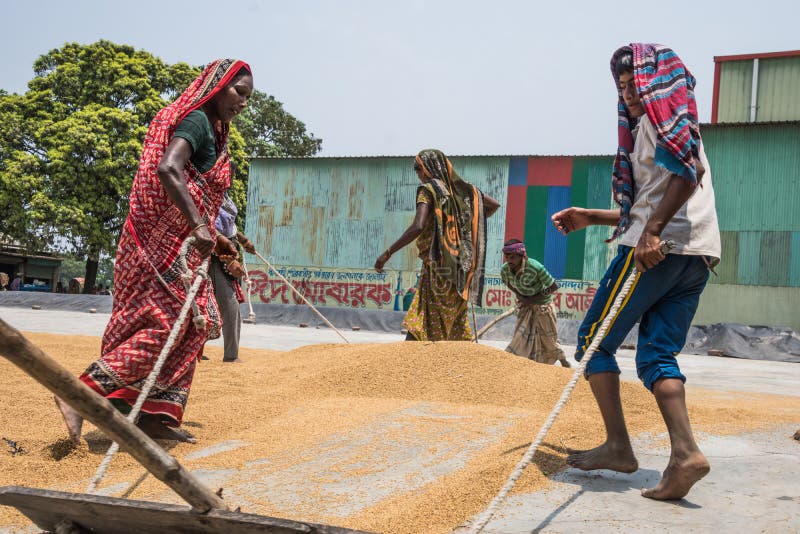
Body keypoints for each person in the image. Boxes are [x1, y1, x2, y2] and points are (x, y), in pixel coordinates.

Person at [551, 44, 720, 500]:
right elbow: (654, 197)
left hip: (656, 252)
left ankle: (620, 446)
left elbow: (688, 175)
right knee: (656, 356)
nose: (627, 93)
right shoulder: (677, 124)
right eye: (621, 87)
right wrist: (594, 215)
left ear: (656, 82)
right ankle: (686, 454)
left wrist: (652, 233)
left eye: (635, 84)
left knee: (592, 341)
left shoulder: (661, 124)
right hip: (696, 255)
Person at [56, 59, 253, 444]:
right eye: (238, 92)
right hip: (155, 250)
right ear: (216, 86)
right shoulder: (196, 121)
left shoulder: (215, 131)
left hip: (181, 248)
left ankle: (150, 415)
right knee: (170, 327)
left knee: (189, 330)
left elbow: (197, 193)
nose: (243, 103)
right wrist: (199, 226)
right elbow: (169, 169)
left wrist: (214, 232)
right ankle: (78, 393)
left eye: (248, 97)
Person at [375, 149, 500, 341]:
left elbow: (418, 225)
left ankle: (412, 362)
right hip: (462, 267)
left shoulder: (428, 190)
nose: (418, 174)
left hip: (441, 265)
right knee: (454, 317)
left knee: (428, 317)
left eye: (418, 168)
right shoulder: (464, 191)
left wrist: (388, 252)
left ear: (428, 168)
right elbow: (493, 205)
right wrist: (463, 225)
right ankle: (456, 360)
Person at [500, 239, 571, 368]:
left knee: (548, 339)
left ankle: (563, 360)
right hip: (525, 308)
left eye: (512, 257)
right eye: (507, 257)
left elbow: (554, 286)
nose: (509, 260)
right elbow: (508, 283)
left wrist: (531, 300)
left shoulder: (536, 267)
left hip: (543, 307)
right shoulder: (505, 270)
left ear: (522, 256)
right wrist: (521, 296)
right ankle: (520, 365)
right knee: (521, 337)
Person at [208, 190, 255, 363]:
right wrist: (227, 260)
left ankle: (230, 352)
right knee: (229, 306)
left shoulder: (225, 197)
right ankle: (231, 355)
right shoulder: (208, 195)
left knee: (226, 305)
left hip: (227, 252)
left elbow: (230, 227)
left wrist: (243, 241)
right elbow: (209, 230)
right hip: (214, 257)